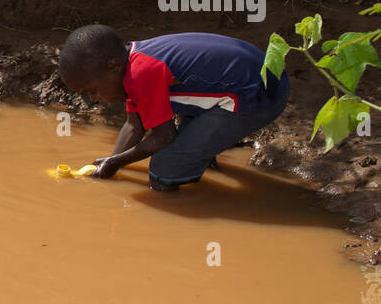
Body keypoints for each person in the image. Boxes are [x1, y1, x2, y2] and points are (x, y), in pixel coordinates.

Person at [58, 26, 290, 191]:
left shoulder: (141, 73)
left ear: (113, 67)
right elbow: (133, 126)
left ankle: (195, 201)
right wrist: (110, 161)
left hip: (258, 93)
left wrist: (117, 163)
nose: (94, 100)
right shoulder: (130, 65)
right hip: (250, 78)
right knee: (182, 147)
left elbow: (163, 136)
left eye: (92, 91)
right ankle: (201, 155)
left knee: (164, 171)